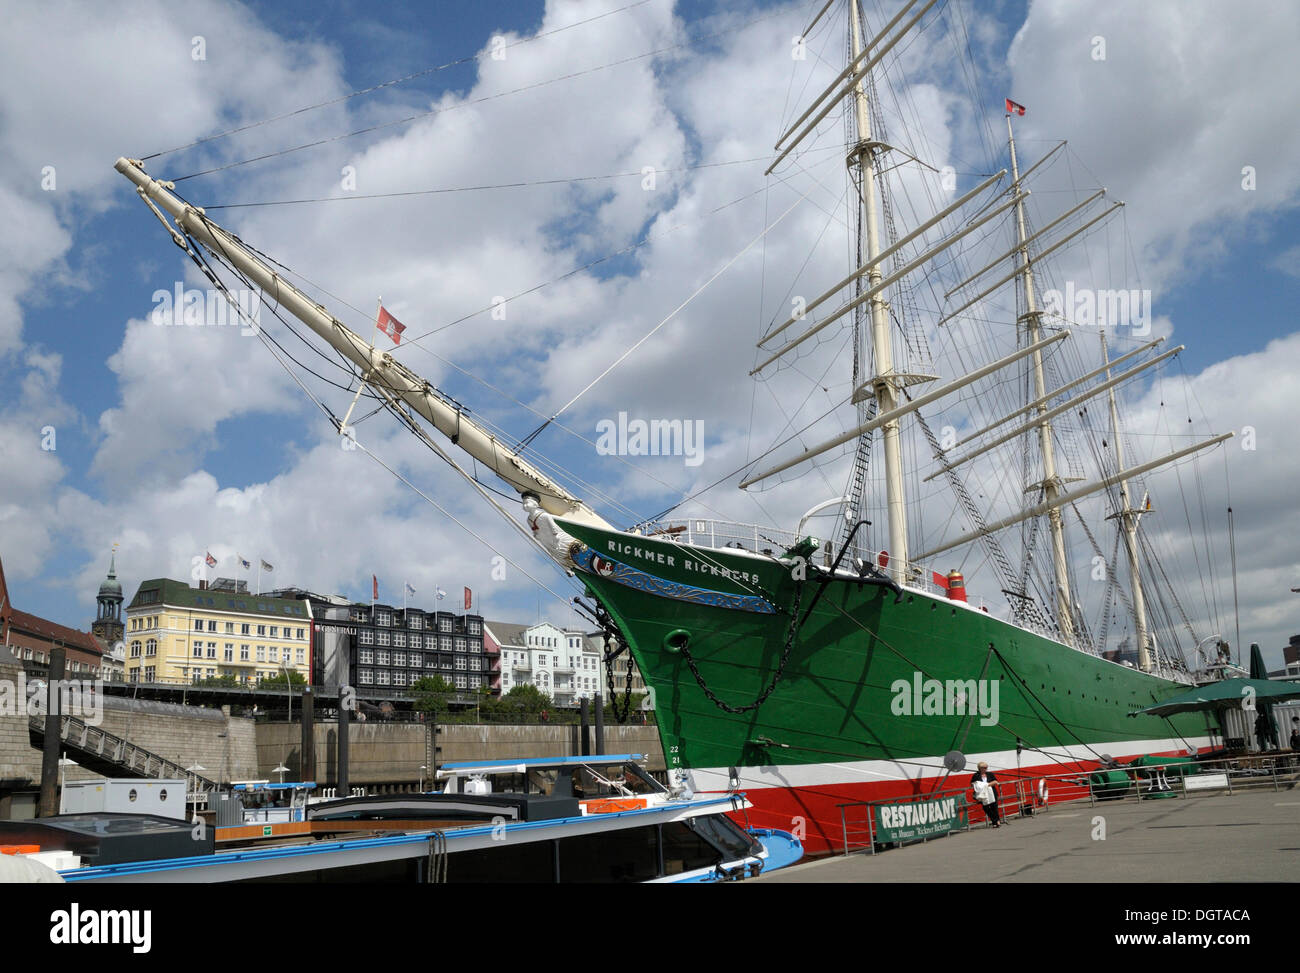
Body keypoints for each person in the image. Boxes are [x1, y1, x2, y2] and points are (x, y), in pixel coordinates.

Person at [970, 761, 1001, 828]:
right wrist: (985, 785)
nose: (985, 769)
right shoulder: (976, 775)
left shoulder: (990, 774)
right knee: (986, 808)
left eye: (986, 767)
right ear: (980, 768)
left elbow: (995, 781)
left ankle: (996, 822)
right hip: (982, 794)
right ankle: (995, 820)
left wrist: (985, 785)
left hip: (992, 792)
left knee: (994, 807)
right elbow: (972, 784)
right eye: (984, 767)